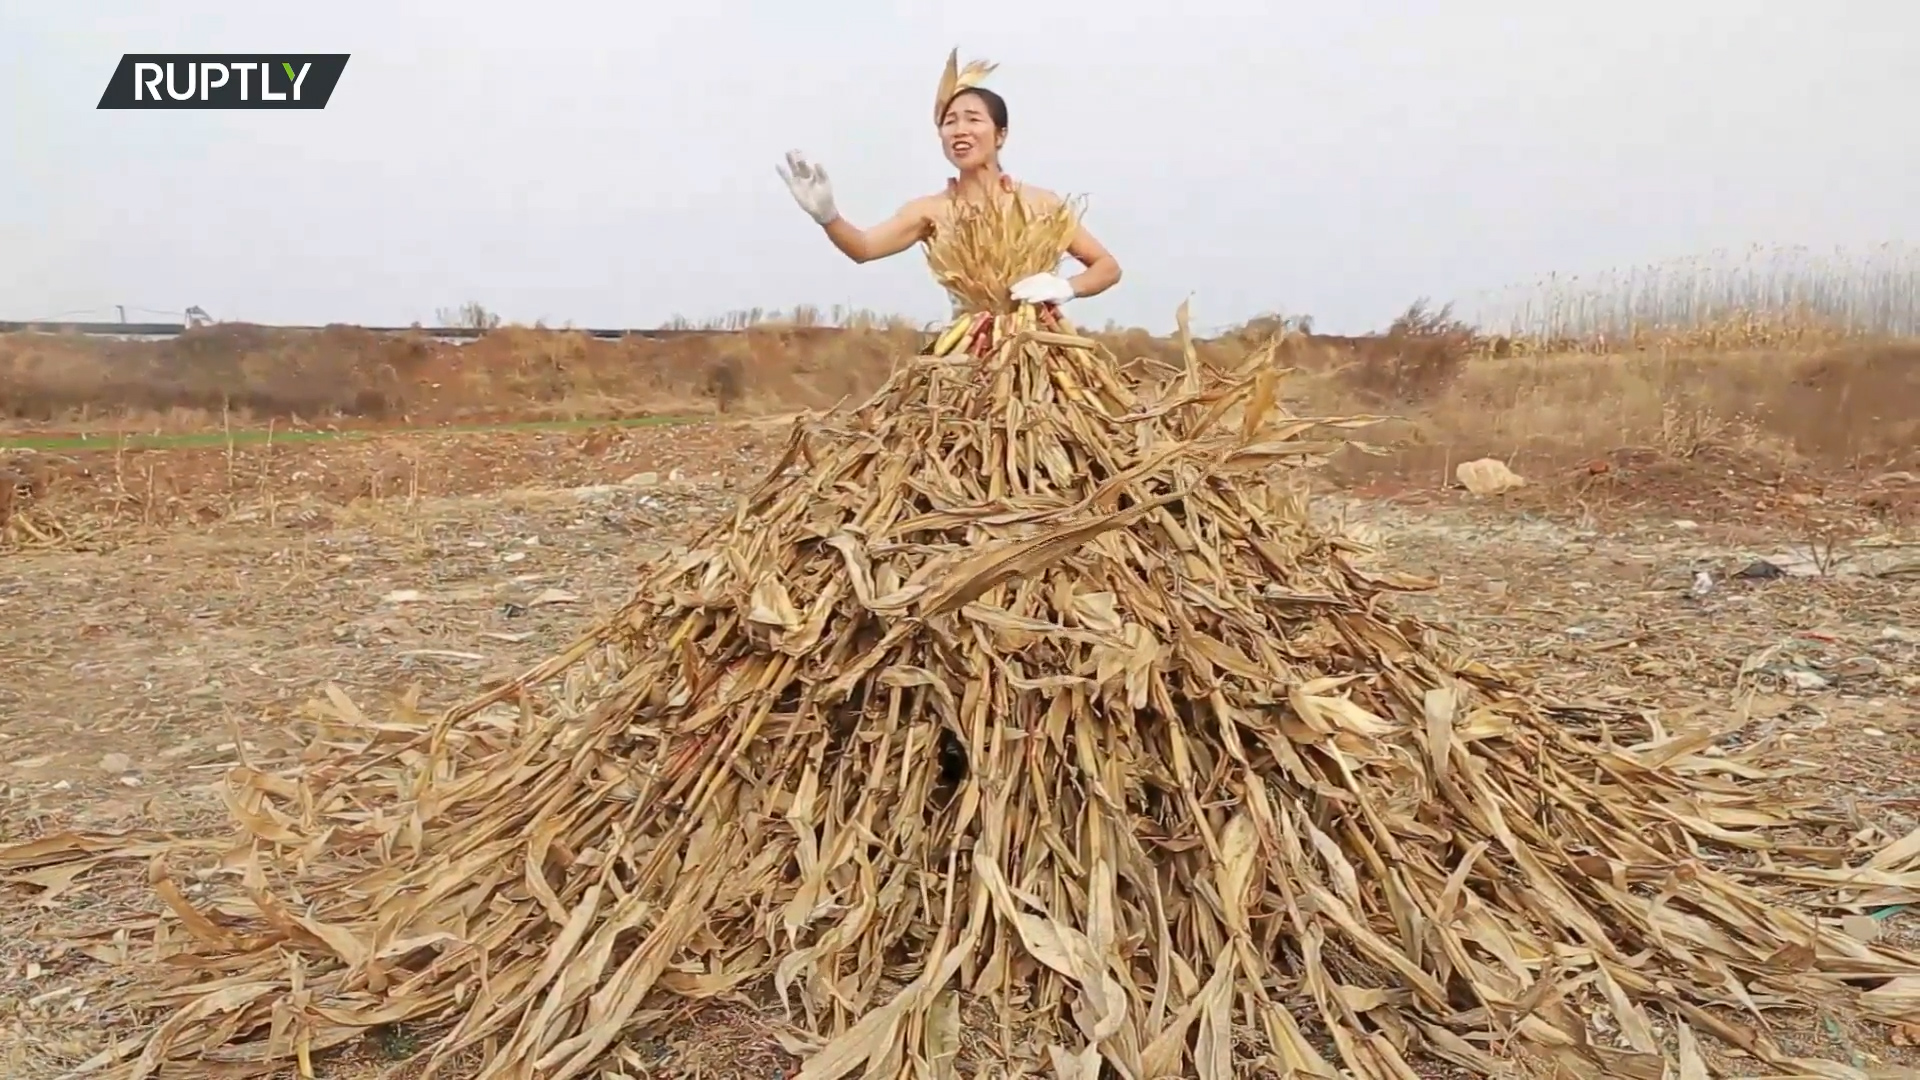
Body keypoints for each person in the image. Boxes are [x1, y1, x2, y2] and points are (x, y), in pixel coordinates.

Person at [775, 61, 1121, 307]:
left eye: (973, 119)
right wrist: (828, 216)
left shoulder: (1041, 204)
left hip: (1040, 352)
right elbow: (863, 248)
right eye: (949, 122)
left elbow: (1107, 267)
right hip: (968, 357)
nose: (959, 130)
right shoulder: (932, 211)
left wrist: (1065, 287)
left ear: (1001, 135)